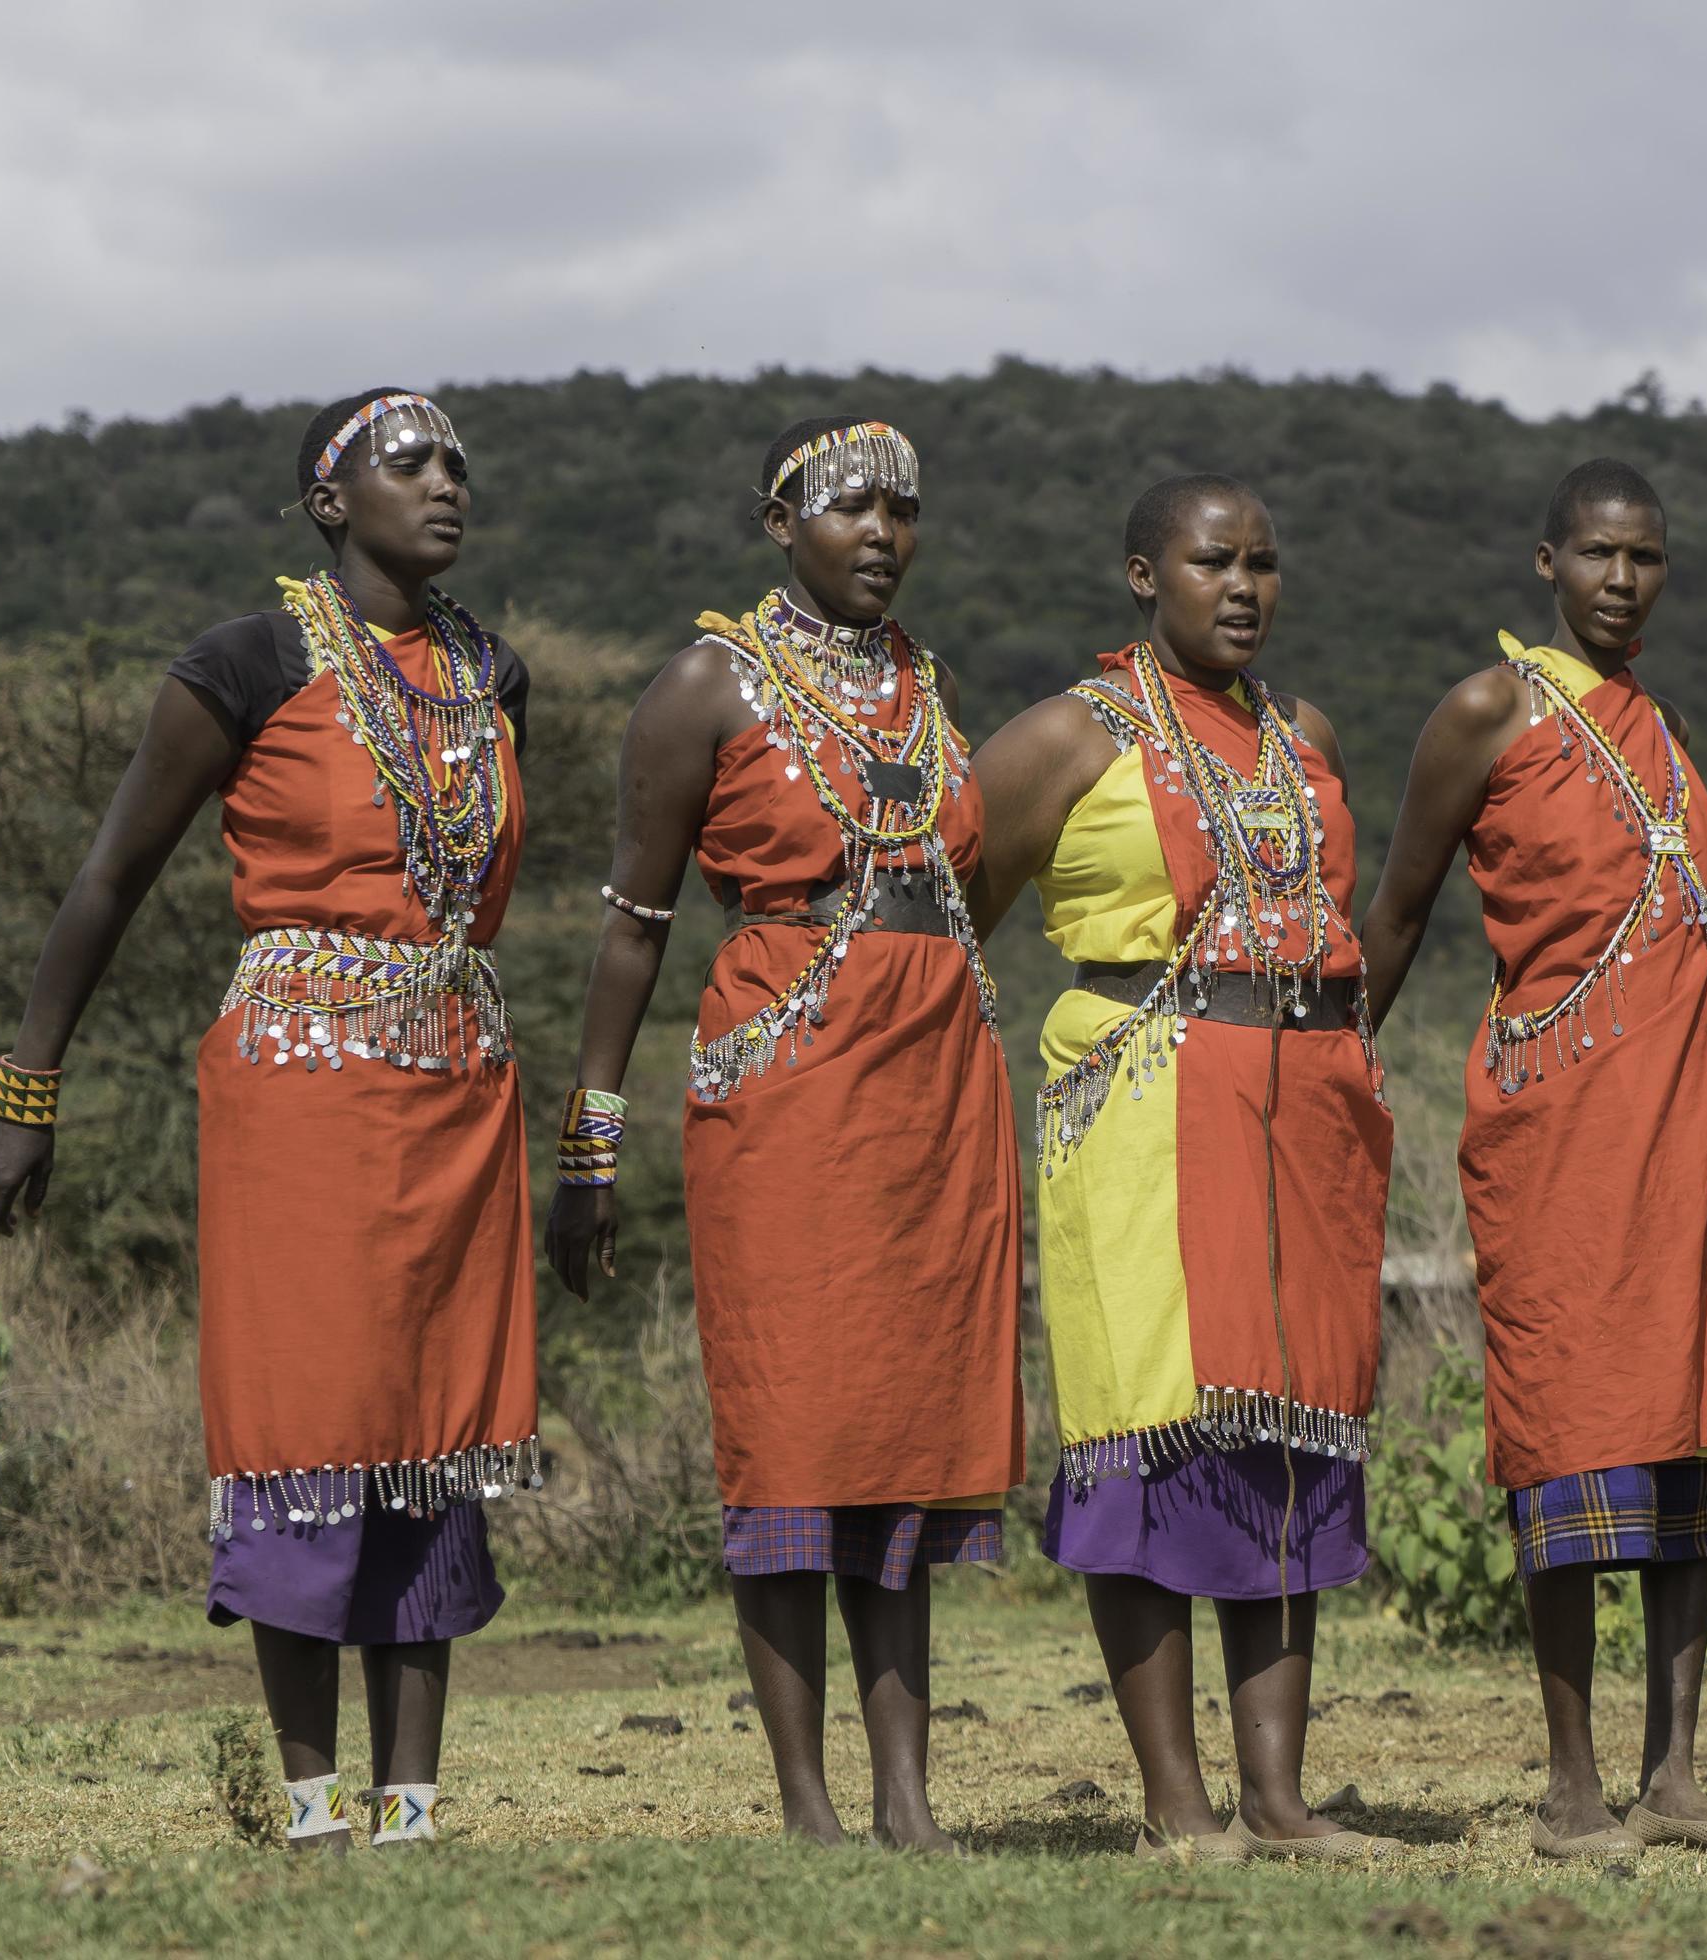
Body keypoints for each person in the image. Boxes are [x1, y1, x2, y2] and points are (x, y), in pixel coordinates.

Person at [0, 389, 538, 1853]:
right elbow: (109, 878)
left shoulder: (495, 675)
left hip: (458, 1084)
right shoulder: (244, 664)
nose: (444, 482)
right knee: (305, 1422)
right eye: (406, 463)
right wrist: (29, 1088)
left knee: (433, 1429)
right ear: (328, 503)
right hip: (297, 1086)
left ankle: (412, 1815)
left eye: (456, 462)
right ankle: (308, 1811)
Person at [545, 418, 1024, 1851]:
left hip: (934, 1095)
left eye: (901, 509)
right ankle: (809, 1803)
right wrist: (589, 1138)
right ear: (778, 524)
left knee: (903, 1432)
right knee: (796, 1431)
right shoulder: (706, 687)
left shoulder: (926, 685)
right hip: (788, 1086)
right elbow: (634, 929)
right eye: (848, 508)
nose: (881, 532)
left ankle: (907, 1800)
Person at [1361, 458, 1707, 1859]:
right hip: (1556, 1128)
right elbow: (1397, 910)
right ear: (1543, 562)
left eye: (1648, 559)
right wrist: (1326, 1077)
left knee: (1689, 1422)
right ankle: (1569, 1789)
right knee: (1562, 1429)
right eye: (1601, 555)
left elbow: (1691, 916)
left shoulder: (1661, 730)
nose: (1625, 580)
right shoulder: (1486, 712)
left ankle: (1674, 1779)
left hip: (1692, 1122)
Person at [968, 474, 1395, 1864]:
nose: (1245, 587)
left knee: (1286, 1437)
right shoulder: (1061, 741)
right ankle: (1175, 1806)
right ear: (1144, 576)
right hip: (1143, 1108)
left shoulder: (1305, 736)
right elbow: (946, 914)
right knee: (1152, 1428)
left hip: (1301, 1119)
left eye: (1265, 563)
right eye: (1215, 561)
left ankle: (1277, 1802)